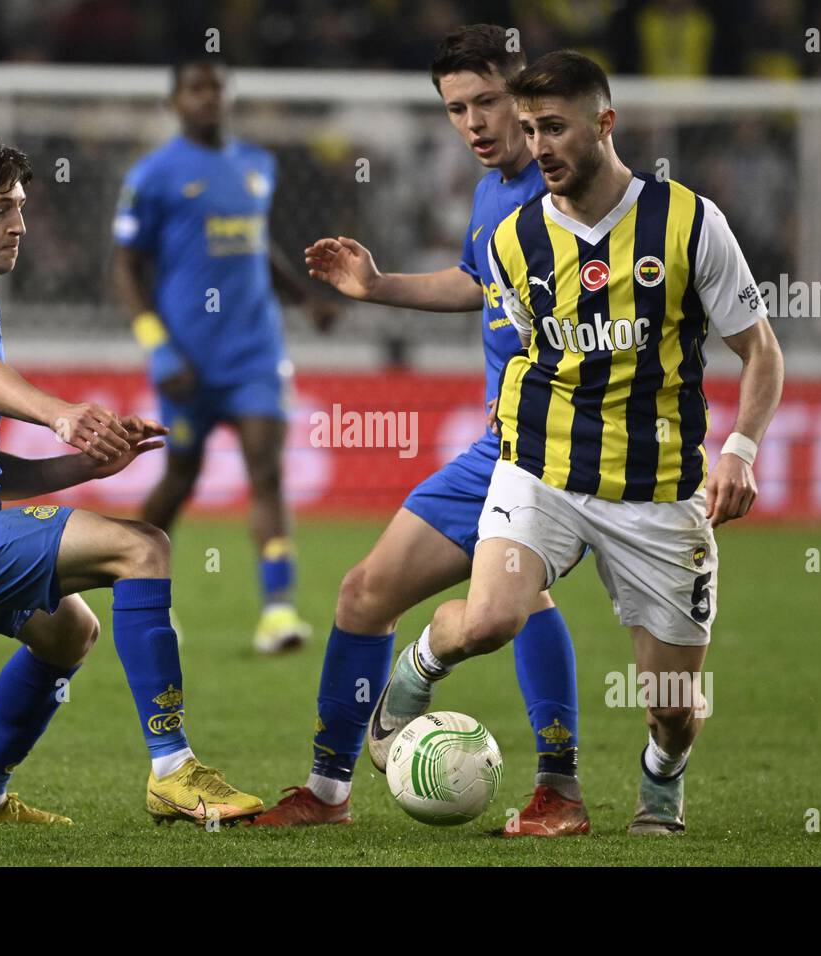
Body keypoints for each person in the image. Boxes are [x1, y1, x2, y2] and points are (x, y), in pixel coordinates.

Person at [368, 51, 785, 835]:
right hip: (543, 471)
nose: (539, 144)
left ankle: (662, 776)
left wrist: (740, 451)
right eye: (528, 129)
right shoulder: (514, 239)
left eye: (553, 126)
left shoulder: (690, 222)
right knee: (491, 617)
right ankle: (420, 665)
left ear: (604, 123)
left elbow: (759, 350)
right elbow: (529, 351)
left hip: (659, 490)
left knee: (671, 711)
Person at [0, 136, 263, 827]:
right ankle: (173, 770)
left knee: (67, 633)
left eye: (21, 206)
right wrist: (61, 414)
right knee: (143, 548)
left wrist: (82, 466)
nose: (18, 224)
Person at [250, 25, 589, 838]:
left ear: (530, 98)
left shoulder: (571, 194)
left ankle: (562, 790)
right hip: (498, 446)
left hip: (569, 444)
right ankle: (328, 794)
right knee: (365, 594)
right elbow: (478, 283)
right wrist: (374, 286)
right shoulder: (491, 192)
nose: (472, 123)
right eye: (454, 109)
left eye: (487, 102)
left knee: (514, 598)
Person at [112, 58, 335, 654]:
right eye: (196, 89)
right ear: (175, 102)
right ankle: (134, 587)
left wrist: (303, 299)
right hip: (187, 360)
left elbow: (255, 247)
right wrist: (158, 348)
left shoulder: (257, 165)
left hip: (256, 354)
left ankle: (278, 612)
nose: (209, 98)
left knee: (267, 471)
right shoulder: (154, 176)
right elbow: (126, 266)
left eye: (217, 87)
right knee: (180, 476)